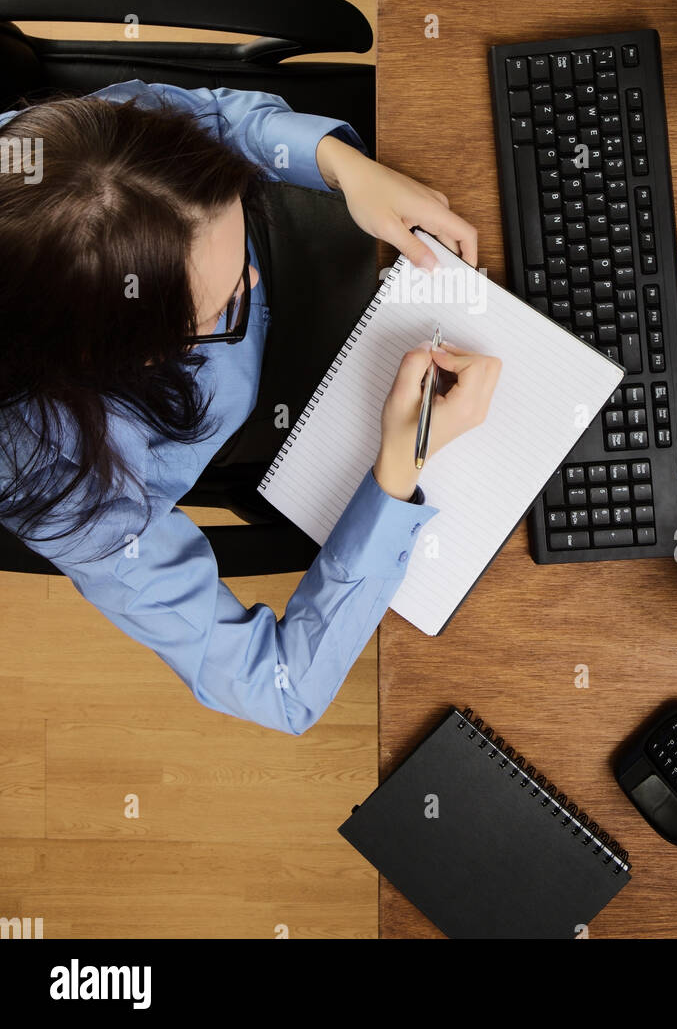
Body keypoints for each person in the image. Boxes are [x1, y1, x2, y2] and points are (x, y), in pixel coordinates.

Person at [0, 80, 501, 733]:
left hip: (317, 228)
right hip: (279, 414)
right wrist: (400, 471)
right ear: (126, 355)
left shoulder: (68, 163)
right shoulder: (70, 486)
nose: (251, 280)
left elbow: (214, 117)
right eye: (222, 304)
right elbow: (278, 690)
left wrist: (341, 167)